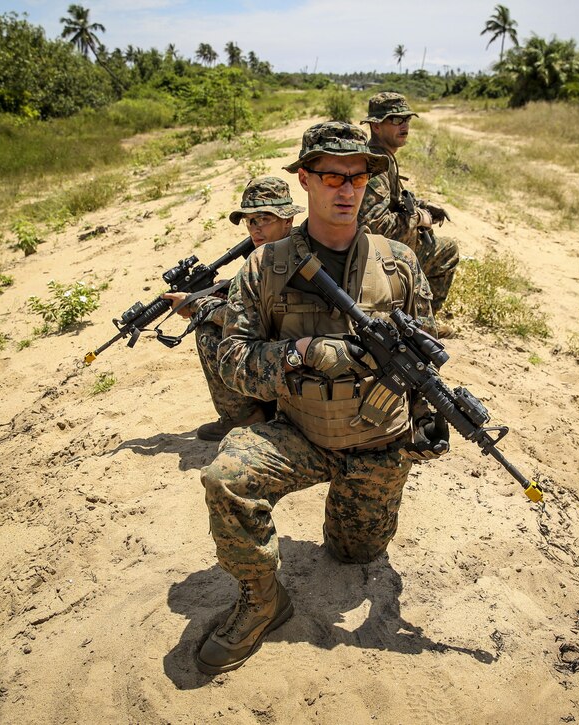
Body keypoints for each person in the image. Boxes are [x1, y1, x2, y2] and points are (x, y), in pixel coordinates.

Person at [195, 122, 449, 675]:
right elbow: (231, 360)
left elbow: (424, 355)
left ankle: (356, 510)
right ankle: (264, 601)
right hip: (301, 435)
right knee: (226, 478)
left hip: (377, 442)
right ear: (306, 180)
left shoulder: (399, 263)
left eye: (357, 178)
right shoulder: (265, 266)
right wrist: (301, 353)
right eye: (333, 176)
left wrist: (426, 422)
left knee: (355, 554)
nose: (347, 190)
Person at [162, 177, 303, 441]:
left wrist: (197, 305)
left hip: (295, 359)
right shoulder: (277, 252)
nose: (255, 229)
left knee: (208, 330)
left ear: (287, 220)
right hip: (290, 356)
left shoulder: (287, 259)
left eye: (264, 219)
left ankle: (244, 417)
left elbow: (252, 321)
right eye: (250, 221)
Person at [358, 92, 460, 337]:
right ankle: (422, 326)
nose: (404, 125)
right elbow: (377, 224)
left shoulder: (385, 158)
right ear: (376, 125)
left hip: (374, 251)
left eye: (406, 119)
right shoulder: (377, 162)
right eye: (395, 119)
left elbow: (393, 201)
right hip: (369, 257)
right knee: (447, 251)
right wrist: (417, 220)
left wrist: (422, 206)